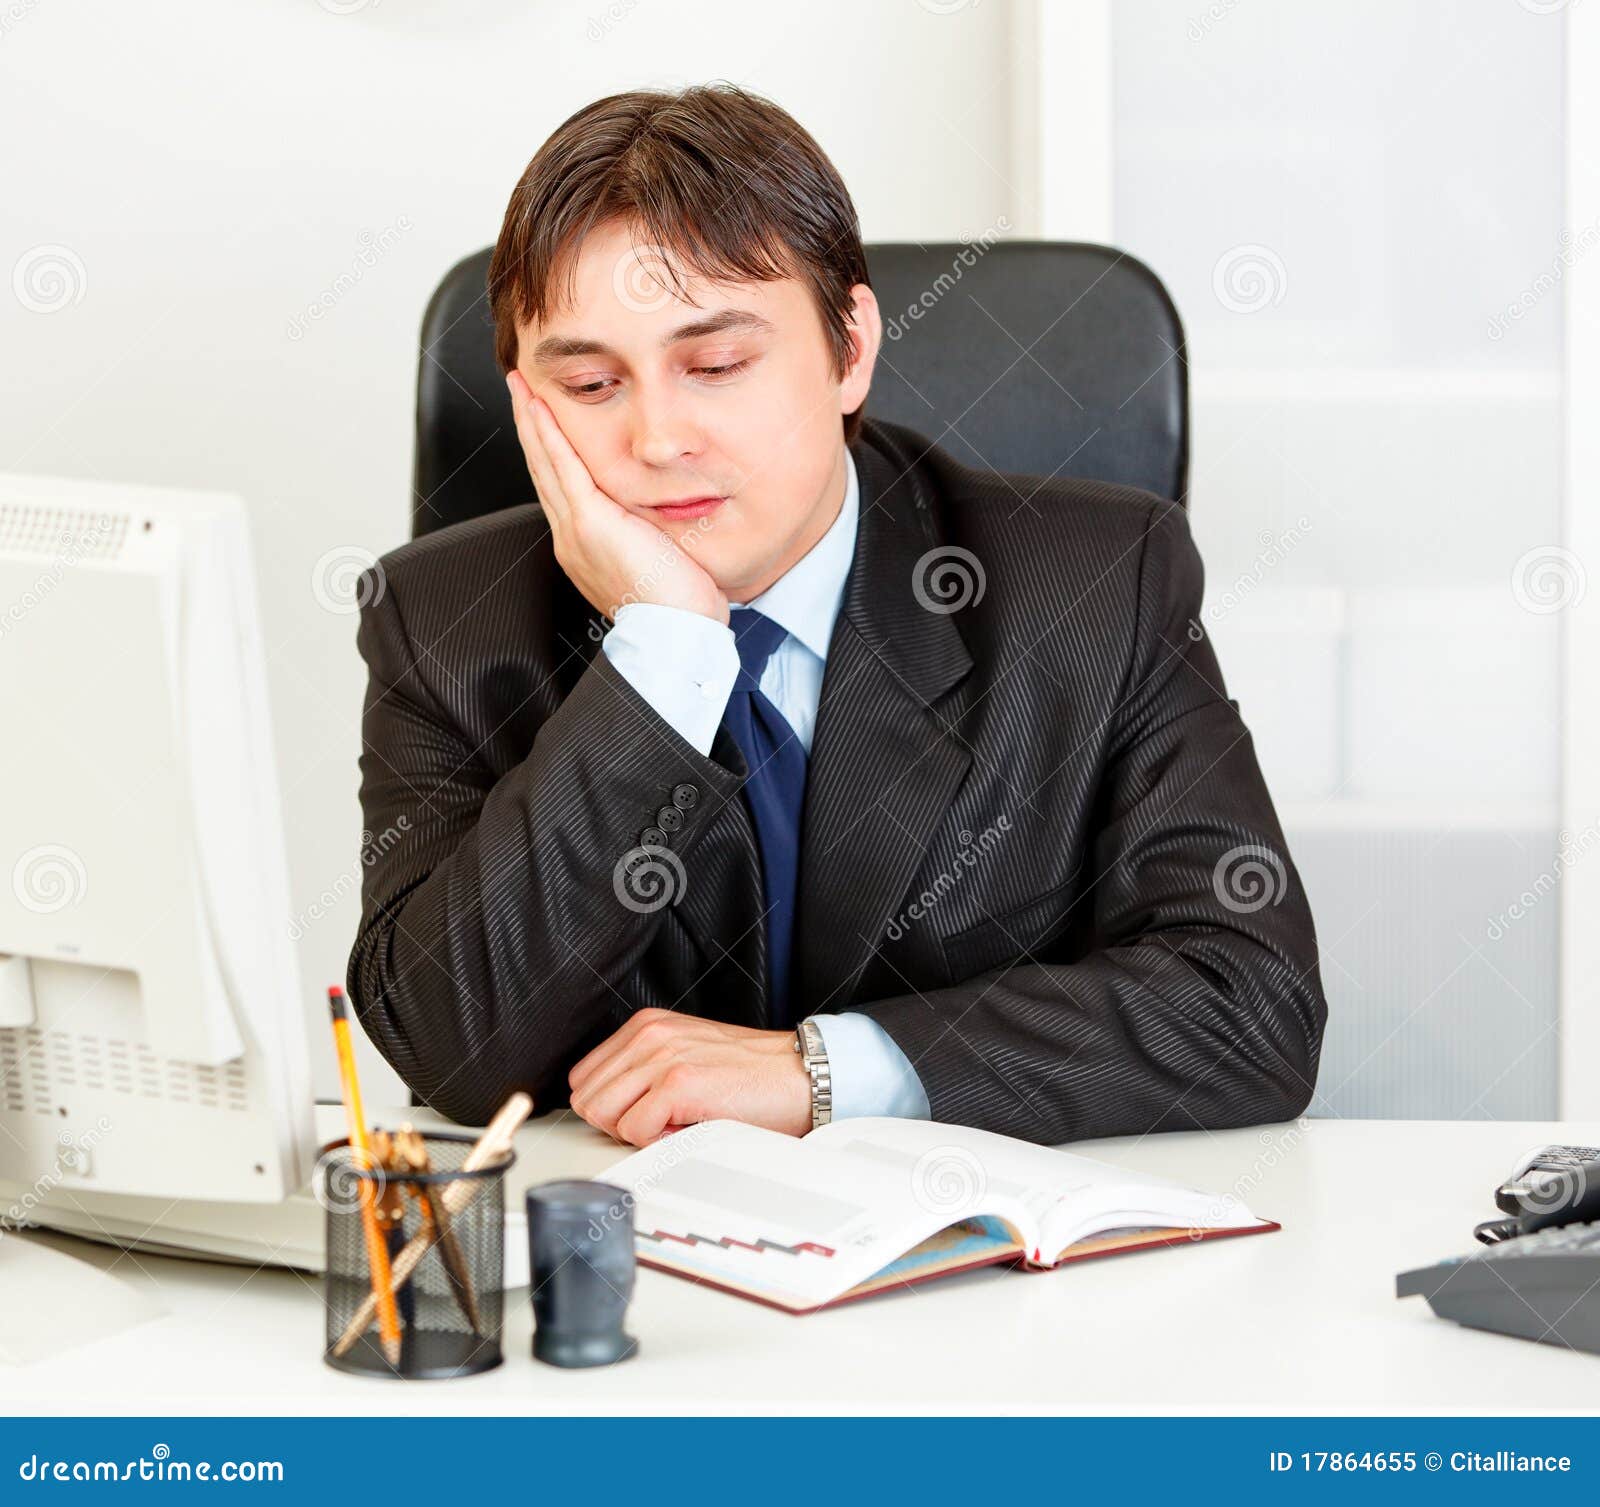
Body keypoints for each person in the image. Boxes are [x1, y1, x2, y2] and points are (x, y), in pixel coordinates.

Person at [346, 83, 1326, 1147]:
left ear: (849, 348)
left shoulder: (1099, 585)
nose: (658, 439)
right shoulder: (443, 624)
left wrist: (828, 1070)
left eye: (715, 365)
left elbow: (1248, 1000)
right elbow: (449, 1047)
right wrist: (664, 653)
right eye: (589, 385)